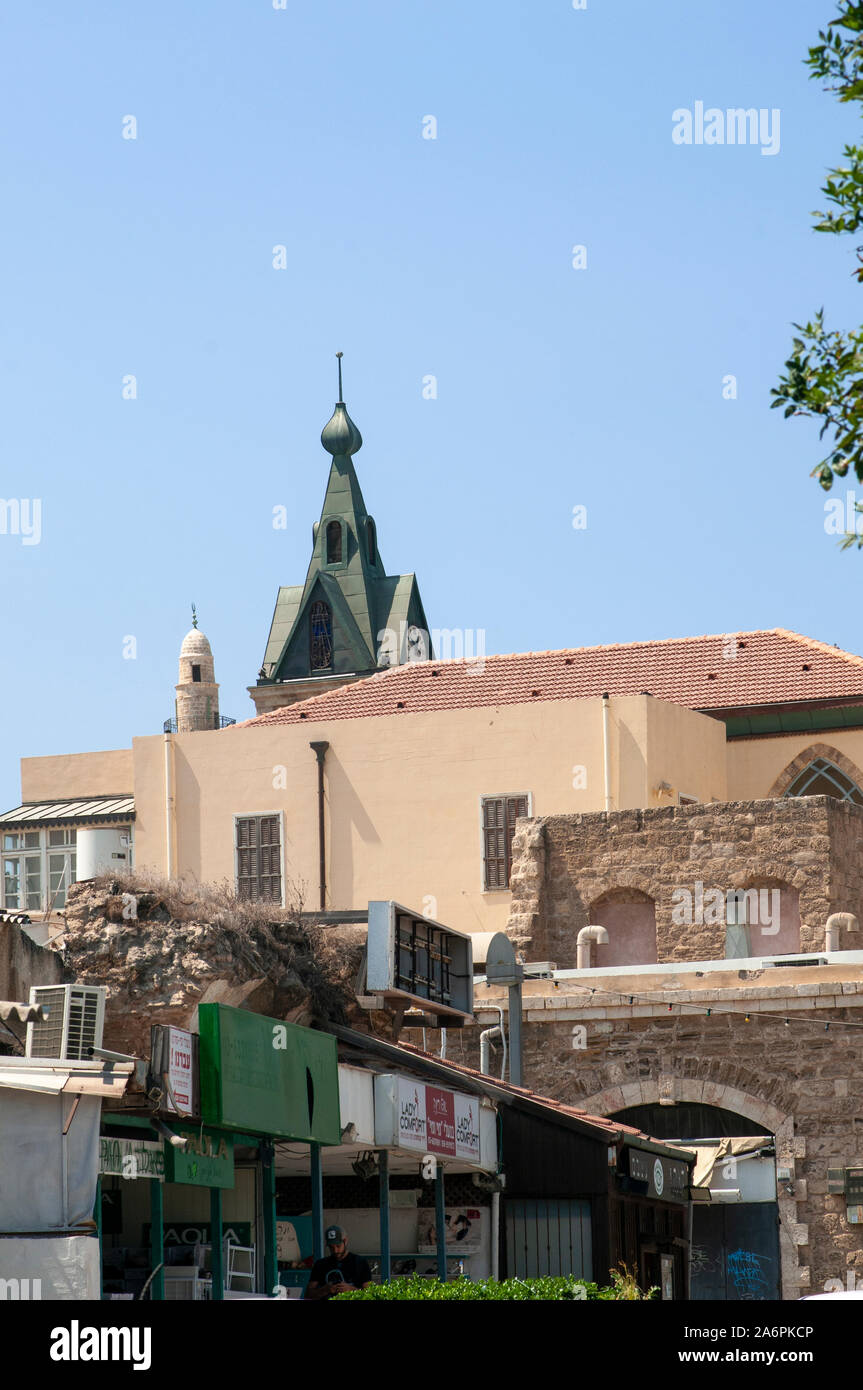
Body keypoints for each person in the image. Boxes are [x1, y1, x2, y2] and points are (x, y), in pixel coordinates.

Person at [304, 1225, 373, 1300]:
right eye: (331, 1247)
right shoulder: (320, 1264)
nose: (335, 1251)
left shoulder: (360, 1262)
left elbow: (370, 1294)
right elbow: (307, 1295)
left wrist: (351, 1290)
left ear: (345, 1241)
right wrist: (324, 1290)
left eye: (338, 1246)